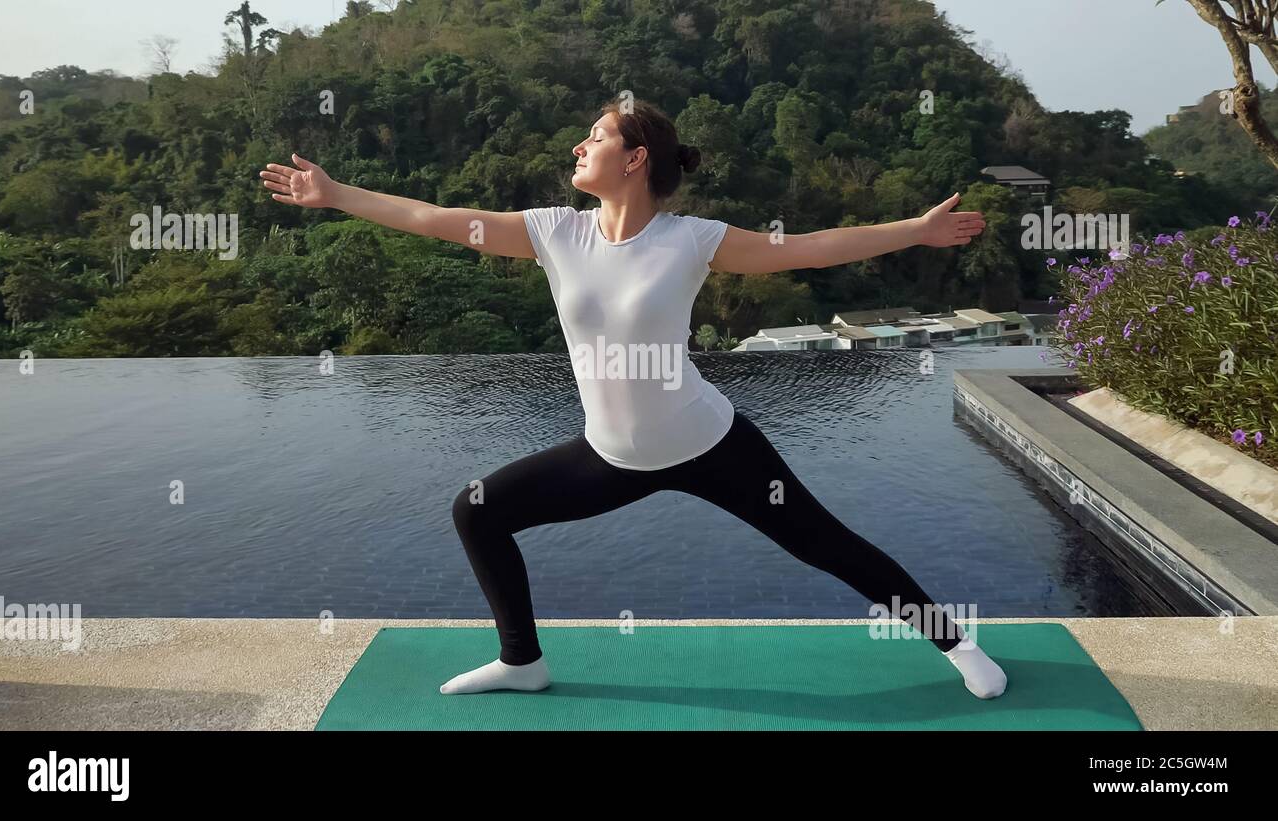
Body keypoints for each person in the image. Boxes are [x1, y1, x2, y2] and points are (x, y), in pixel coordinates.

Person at [259, 98, 1007, 701]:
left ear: (636, 156)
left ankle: (958, 642)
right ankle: (522, 661)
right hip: (611, 454)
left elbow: (808, 247)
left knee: (827, 545)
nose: (578, 147)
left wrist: (918, 230)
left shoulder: (692, 239)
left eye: (596, 135)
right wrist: (335, 196)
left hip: (709, 443)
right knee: (477, 508)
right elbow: (431, 218)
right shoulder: (553, 233)